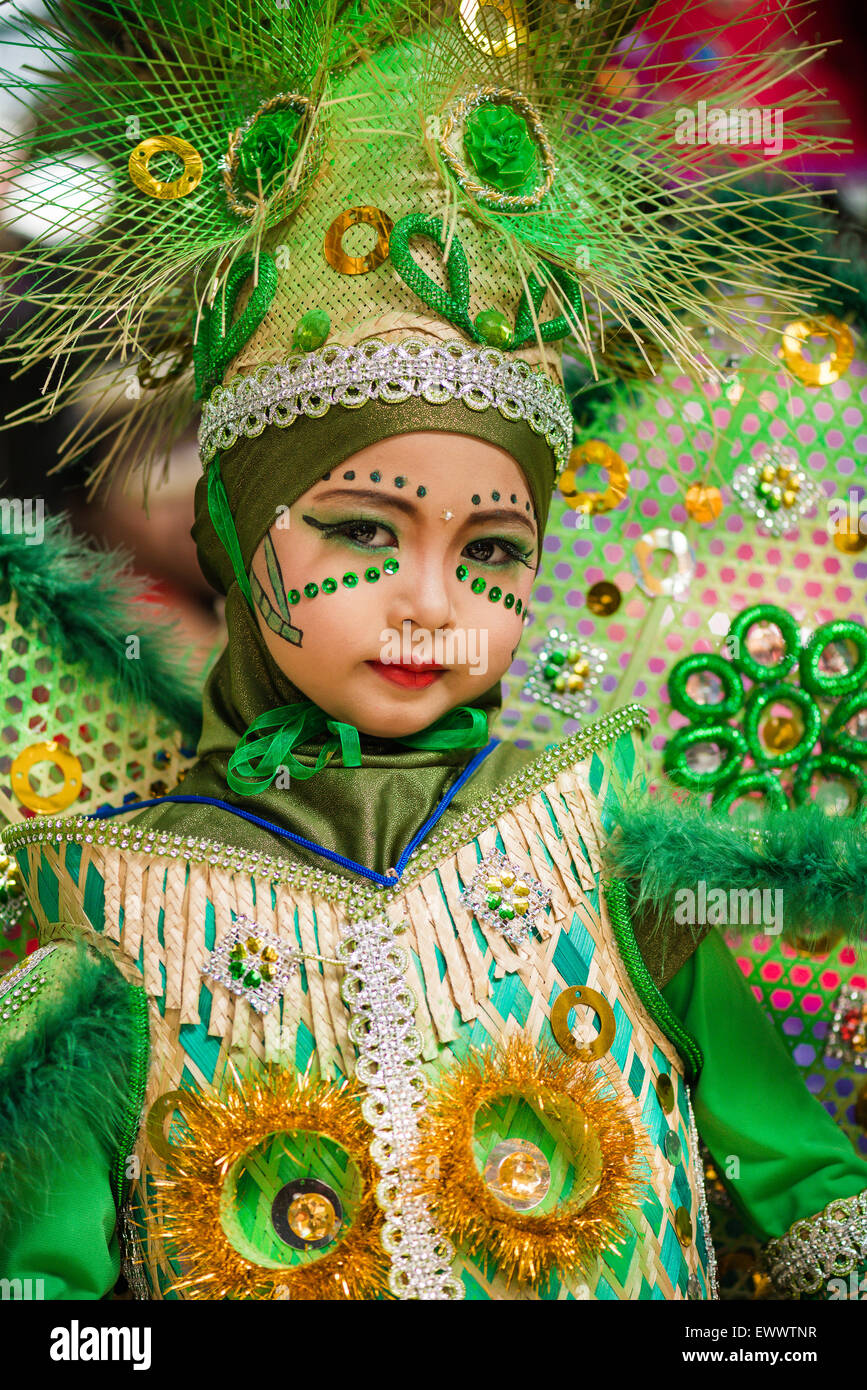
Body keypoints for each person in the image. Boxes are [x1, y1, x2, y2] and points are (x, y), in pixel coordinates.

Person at [1, 0, 866, 1302]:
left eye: (493, 551)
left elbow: (810, 1207)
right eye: (362, 527)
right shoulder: (105, 918)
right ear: (233, 535)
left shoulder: (621, 841)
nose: (430, 602)